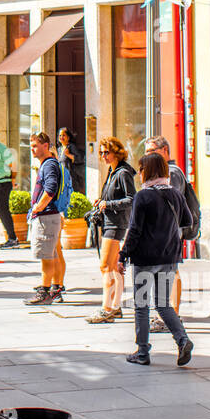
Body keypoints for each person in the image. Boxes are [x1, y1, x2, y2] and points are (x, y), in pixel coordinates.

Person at [117, 152, 194, 366]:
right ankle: (182, 339)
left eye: (141, 169)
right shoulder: (175, 194)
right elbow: (187, 220)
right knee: (162, 304)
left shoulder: (144, 196)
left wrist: (123, 254)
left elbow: (134, 230)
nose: (139, 173)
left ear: (147, 171)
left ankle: (142, 352)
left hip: (145, 258)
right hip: (169, 256)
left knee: (141, 304)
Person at [143, 135, 198, 333]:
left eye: (152, 151)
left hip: (170, 231)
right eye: (147, 152)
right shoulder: (159, 173)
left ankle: (171, 316)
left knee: (171, 272)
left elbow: (170, 204)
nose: (148, 155)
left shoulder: (172, 172)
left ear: (165, 151)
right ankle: (166, 315)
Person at [87, 137, 136, 324]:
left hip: (116, 223)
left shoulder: (123, 173)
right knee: (115, 267)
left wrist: (108, 204)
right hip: (110, 221)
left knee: (105, 265)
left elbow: (132, 199)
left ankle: (106, 308)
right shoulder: (112, 171)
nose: (103, 156)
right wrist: (101, 203)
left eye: (106, 152)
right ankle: (115, 307)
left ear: (117, 152)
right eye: (101, 152)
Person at [24, 132, 64, 305]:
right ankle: (55, 288)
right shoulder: (49, 164)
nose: (32, 149)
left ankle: (45, 291)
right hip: (49, 215)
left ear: (45, 146)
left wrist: (37, 208)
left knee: (46, 255)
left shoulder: (48, 165)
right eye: (31, 146)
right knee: (52, 253)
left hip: (46, 216)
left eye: (35, 146)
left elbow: (51, 188)